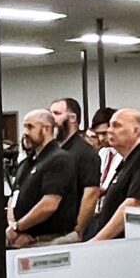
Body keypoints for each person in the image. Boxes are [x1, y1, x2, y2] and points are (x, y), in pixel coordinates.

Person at [87, 108, 140, 240]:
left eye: (116, 126)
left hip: (134, 246)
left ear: (135, 130)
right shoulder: (126, 160)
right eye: (110, 125)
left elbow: (133, 204)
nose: (109, 130)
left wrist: (97, 241)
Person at [7, 110, 79, 247]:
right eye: (25, 127)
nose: (25, 132)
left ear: (46, 129)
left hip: (49, 240)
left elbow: (49, 205)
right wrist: (13, 227)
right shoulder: (26, 163)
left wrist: (18, 228)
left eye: (30, 127)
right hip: (21, 237)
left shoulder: (60, 159)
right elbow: (14, 197)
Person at [50, 98, 104, 241]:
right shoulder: (54, 151)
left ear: (72, 118)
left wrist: (78, 231)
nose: (51, 119)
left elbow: (91, 194)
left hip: (70, 231)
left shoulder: (84, 153)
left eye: (56, 113)